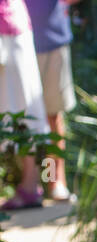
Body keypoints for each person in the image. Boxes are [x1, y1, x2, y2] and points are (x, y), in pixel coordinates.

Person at [24, 0, 78, 202]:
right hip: (18, 39)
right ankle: (29, 186)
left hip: (52, 38)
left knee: (52, 116)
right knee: (24, 118)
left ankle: (54, 182)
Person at [0, 0, 49, 210]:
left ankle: (36, 185)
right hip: (13, 27)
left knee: (26, 108)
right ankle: (35, 185)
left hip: (11, 29)